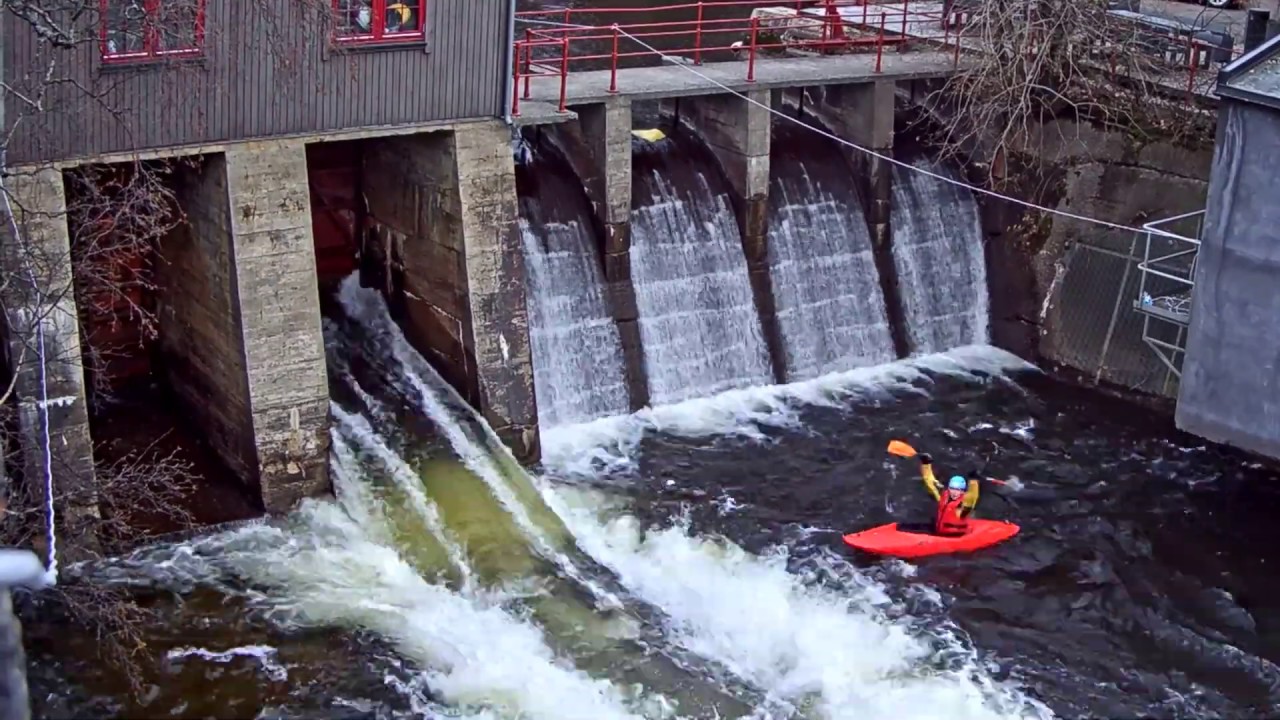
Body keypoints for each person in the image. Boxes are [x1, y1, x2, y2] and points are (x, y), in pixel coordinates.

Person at [918, 452, 980, 537]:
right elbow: (929, 482)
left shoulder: (966, 502)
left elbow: (973, 494)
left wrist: (973, 480)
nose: (955, 492)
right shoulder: (943, 496)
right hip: (939, 530)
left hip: (955, 535)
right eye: (952, 489)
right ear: (949, 488)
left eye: (958, 490)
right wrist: (926, 464)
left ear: (962, 491)